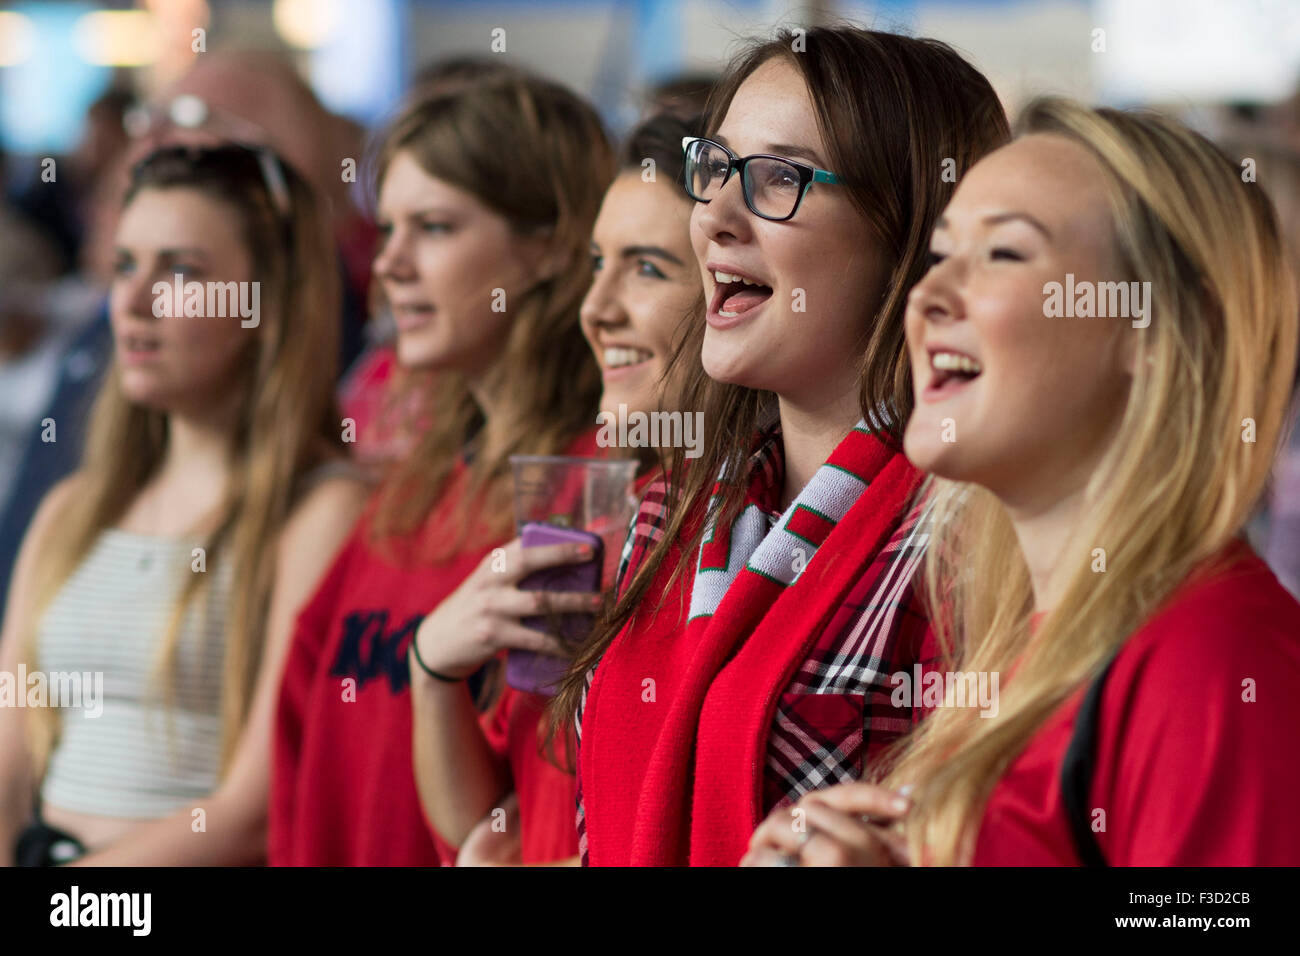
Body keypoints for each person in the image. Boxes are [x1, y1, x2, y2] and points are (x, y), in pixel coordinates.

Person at [744, 98, 1300, 867]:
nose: (928, 297)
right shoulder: (1027, 653)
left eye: (1003, 255)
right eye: (941, 256)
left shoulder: (1212, 654)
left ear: (1158, 327)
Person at [554, 25, 1010, 867]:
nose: (716, 218)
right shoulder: (677, 502)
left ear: (908, 236)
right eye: (716, 169)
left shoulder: (975, 539)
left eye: (778, 179)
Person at [268, 71, 615, 866]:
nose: (390, 263)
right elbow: (302, 745)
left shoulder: (590, 498)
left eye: (433, 226)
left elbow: (542, 818)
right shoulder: (414, 488)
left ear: (550, 246)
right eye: (386, 228)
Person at [0, 144, 367, 865]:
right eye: (127, 264)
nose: (130, 302)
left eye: (180, 270)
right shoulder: (74, 506)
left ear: (266, 301)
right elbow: (10, 761)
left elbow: (252, 812)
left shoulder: (322, 510)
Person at [410, 111, 703, 865]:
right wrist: (433, 667)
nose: (595, 307)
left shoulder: (755, 532)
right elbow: (497, 812)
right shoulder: (606, 501)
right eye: (597, 263)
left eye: (646, 267)